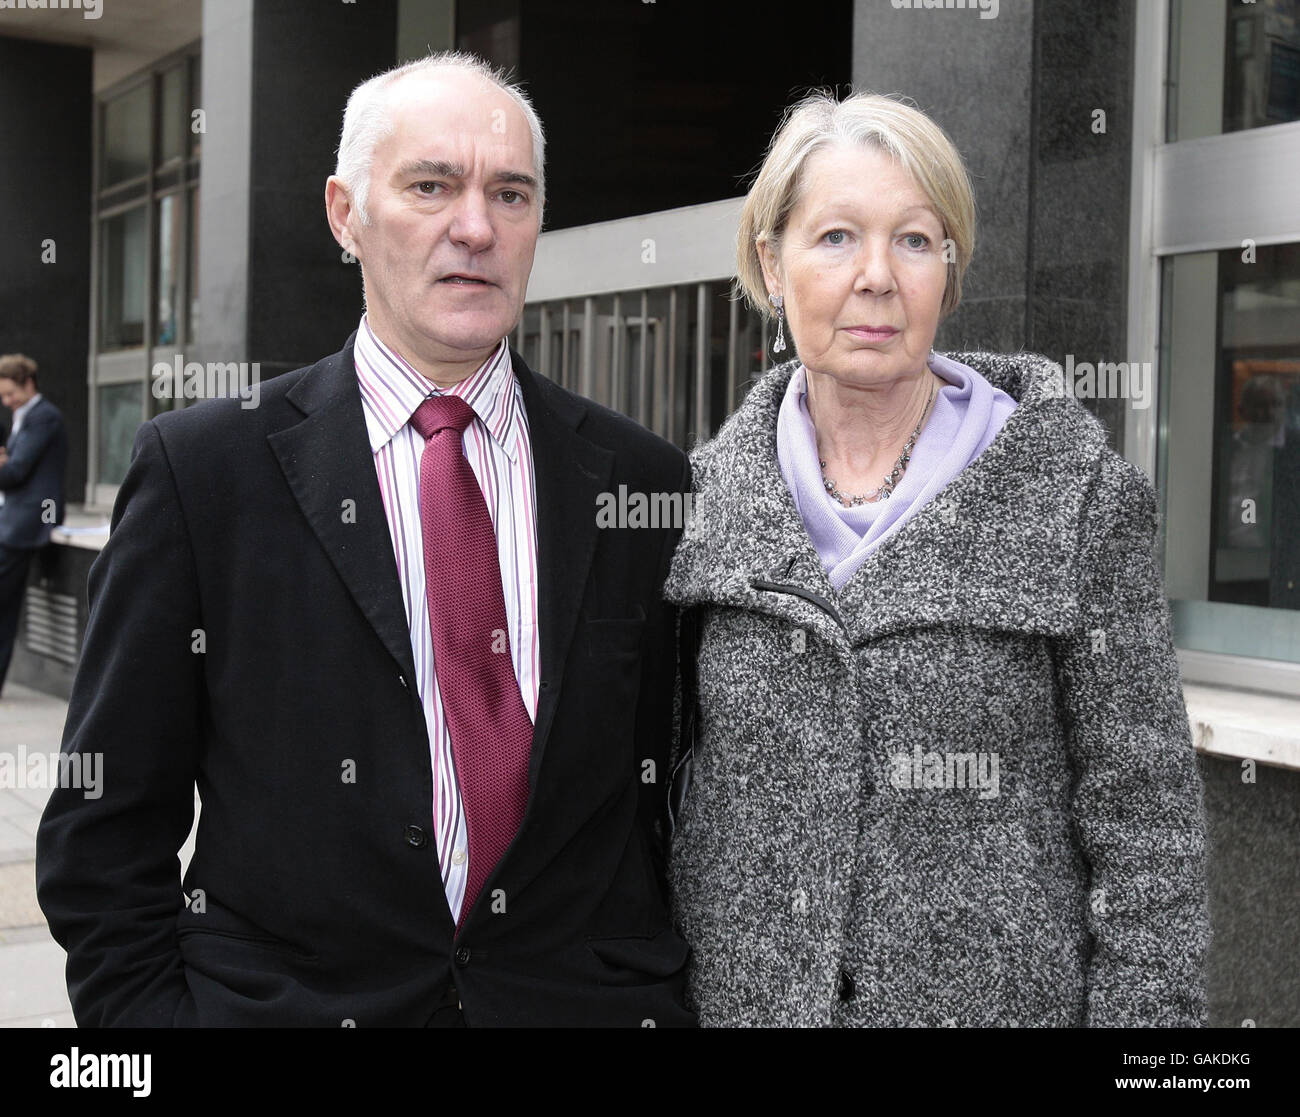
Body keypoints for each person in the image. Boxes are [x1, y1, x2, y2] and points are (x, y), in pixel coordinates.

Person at [37, 52, 695, 1027]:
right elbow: (106, 826)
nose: (475, 227)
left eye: (509, 194)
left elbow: (668, 807)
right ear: (347, 214)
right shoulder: (205, 471)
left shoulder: (641, 481)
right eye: (431, 186)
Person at [663, 91, 1210, 1027]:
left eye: (915, 241)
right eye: (835, 237)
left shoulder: (1073, 495)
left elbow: (1148, 825)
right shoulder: (696, 506)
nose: (877, 276)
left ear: (949, 271)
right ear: (771, 261)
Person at [0, 354, 68, 697]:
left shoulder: (43, 417)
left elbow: (15, 470)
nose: (7, 402)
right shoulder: (24, 416)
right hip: (15, 520)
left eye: (11, 393)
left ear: (29, 384)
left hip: (27, 523)